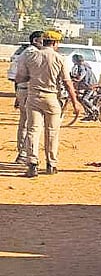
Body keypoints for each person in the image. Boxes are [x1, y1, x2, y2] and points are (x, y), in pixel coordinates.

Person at [14, 30, 80, 178]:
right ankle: (51, 164)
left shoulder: (30, 55)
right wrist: (75, 102)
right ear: (56, 43)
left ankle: (32, 164)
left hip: (33, 97)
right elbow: (67, 82)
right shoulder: (59, 58)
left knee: (33, 130)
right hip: (52, 98)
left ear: (42, 41)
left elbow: (20, 77)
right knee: (52, 132)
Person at [13, 31, 45, 165]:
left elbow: (17, 76)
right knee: (32, 124)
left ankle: (22, 151)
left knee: (24, 123)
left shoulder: (23, 53)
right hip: (30, 90)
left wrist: (17, 94)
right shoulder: (34, 53)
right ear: (36, 40)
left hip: (21, 89)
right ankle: (24, 154)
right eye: (43, 40)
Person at [70, 53, 100, 120]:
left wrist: (76, 79)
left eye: (73, 60)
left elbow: (81, 76)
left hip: (90, 85)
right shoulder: (83, 65)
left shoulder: (82, 66)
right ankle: (90, 113)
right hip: (87, 85)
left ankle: (94, 109)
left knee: (84, 99)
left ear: (76, 60)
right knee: (80, 98)